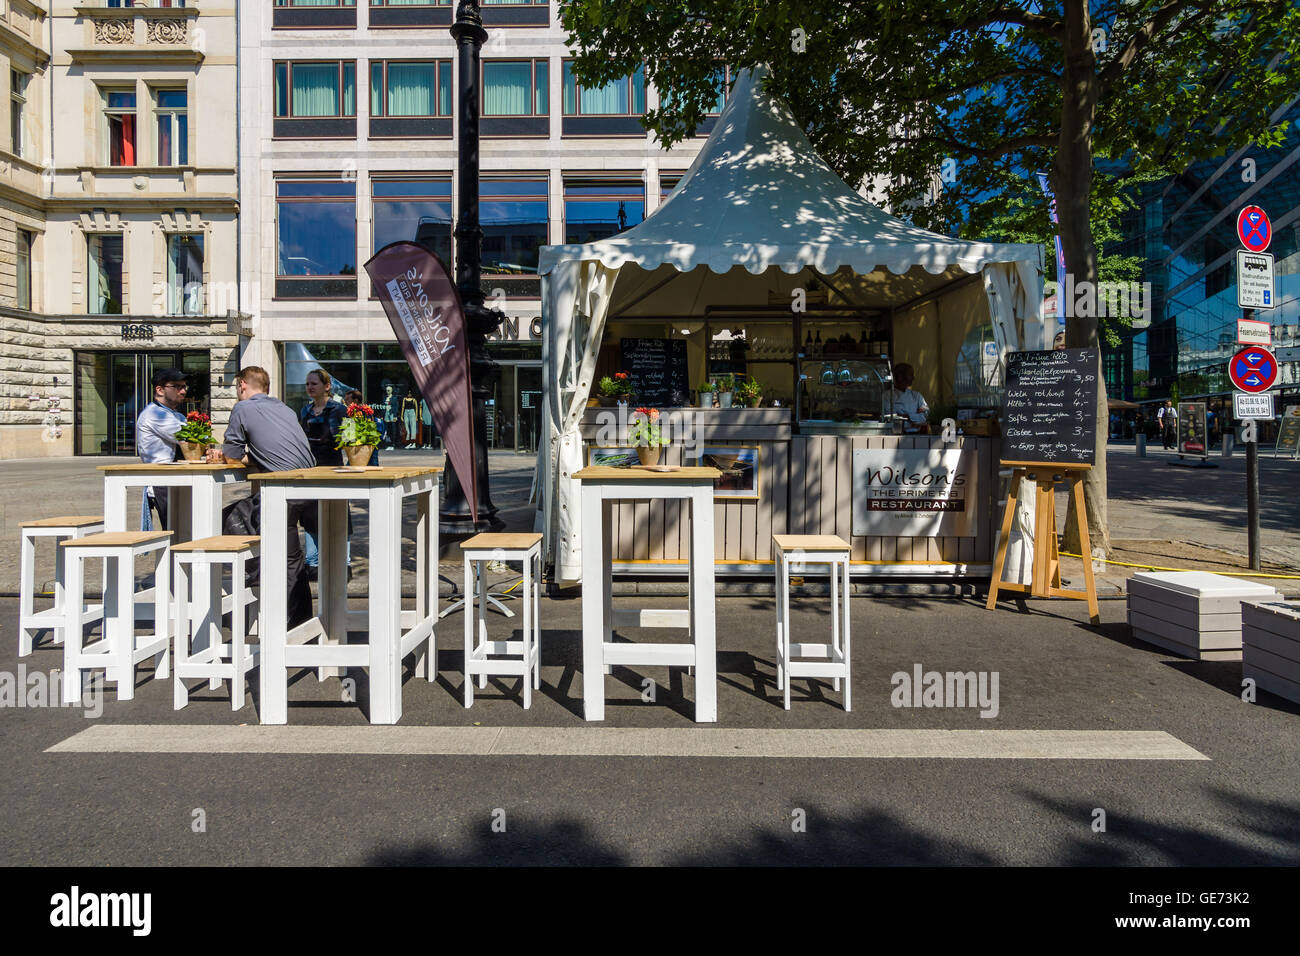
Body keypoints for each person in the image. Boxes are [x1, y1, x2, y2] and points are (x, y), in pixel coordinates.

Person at [207, 367, 317, 628]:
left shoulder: (242, 409)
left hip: (282, 490)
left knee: (233, 518)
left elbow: (233, 456)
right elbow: (274, 450)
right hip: (311, 486)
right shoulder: (285, 409)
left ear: (242, 385)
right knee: (291, 556)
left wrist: (227, 455)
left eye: (237, 388)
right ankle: (299, 619)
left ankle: (271, 609)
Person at [299, 368, 346, 581]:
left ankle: (343, 562)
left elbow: (346, 437)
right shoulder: (305, 412)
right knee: (310, 516)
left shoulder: (338, 409)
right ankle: (313, 562)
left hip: (333, 466)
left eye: (314, 384)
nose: (310, 387)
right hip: (311, 468)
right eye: (308, 384)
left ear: (327, 386)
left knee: (338, 514)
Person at [134, 367, 188, 530]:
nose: (183, 391)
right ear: (159, 389)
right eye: (177, 387)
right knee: (176, 531)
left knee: (184, 530)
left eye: (184, 386)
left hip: (176, 479)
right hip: (163, 482)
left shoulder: (176, 415)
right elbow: (189, 439)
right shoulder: (154, 414)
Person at [889, 363, 930, 434]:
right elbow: (891, 418)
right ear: (900, 377)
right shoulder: (887, 396)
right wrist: (915, 415)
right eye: (910, 375)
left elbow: (926, 414)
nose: (913, 378)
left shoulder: (917, 396)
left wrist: (908, 416)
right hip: (895, 436)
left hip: (917, 435)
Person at [343, 389, 379, 465]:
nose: (345, 401)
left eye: (347, 399)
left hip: (363, 449)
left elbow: (348, 436)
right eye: (345, 399)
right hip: (364, 449)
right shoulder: (366, 411)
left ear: (355, 400)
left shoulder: (360, 412)